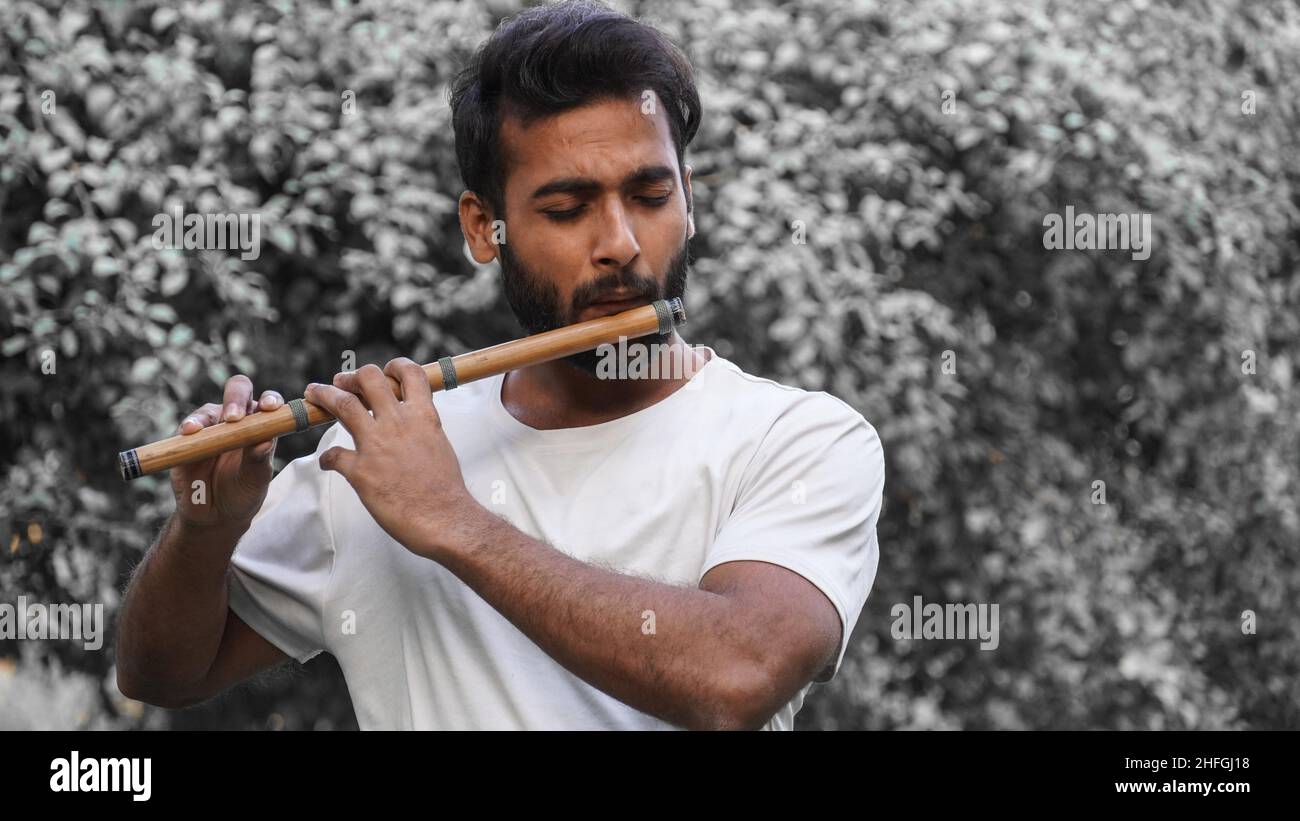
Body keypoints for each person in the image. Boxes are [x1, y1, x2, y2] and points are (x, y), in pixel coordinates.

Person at [115, 0, 885, 730]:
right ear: (486, 228)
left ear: (689, 199)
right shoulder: (377, 458)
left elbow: (738, 675)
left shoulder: (800, 439)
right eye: (566, 209)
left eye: (650, 194)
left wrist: (450, 518)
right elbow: (162, 675)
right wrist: (204, 531)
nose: (619, 241)